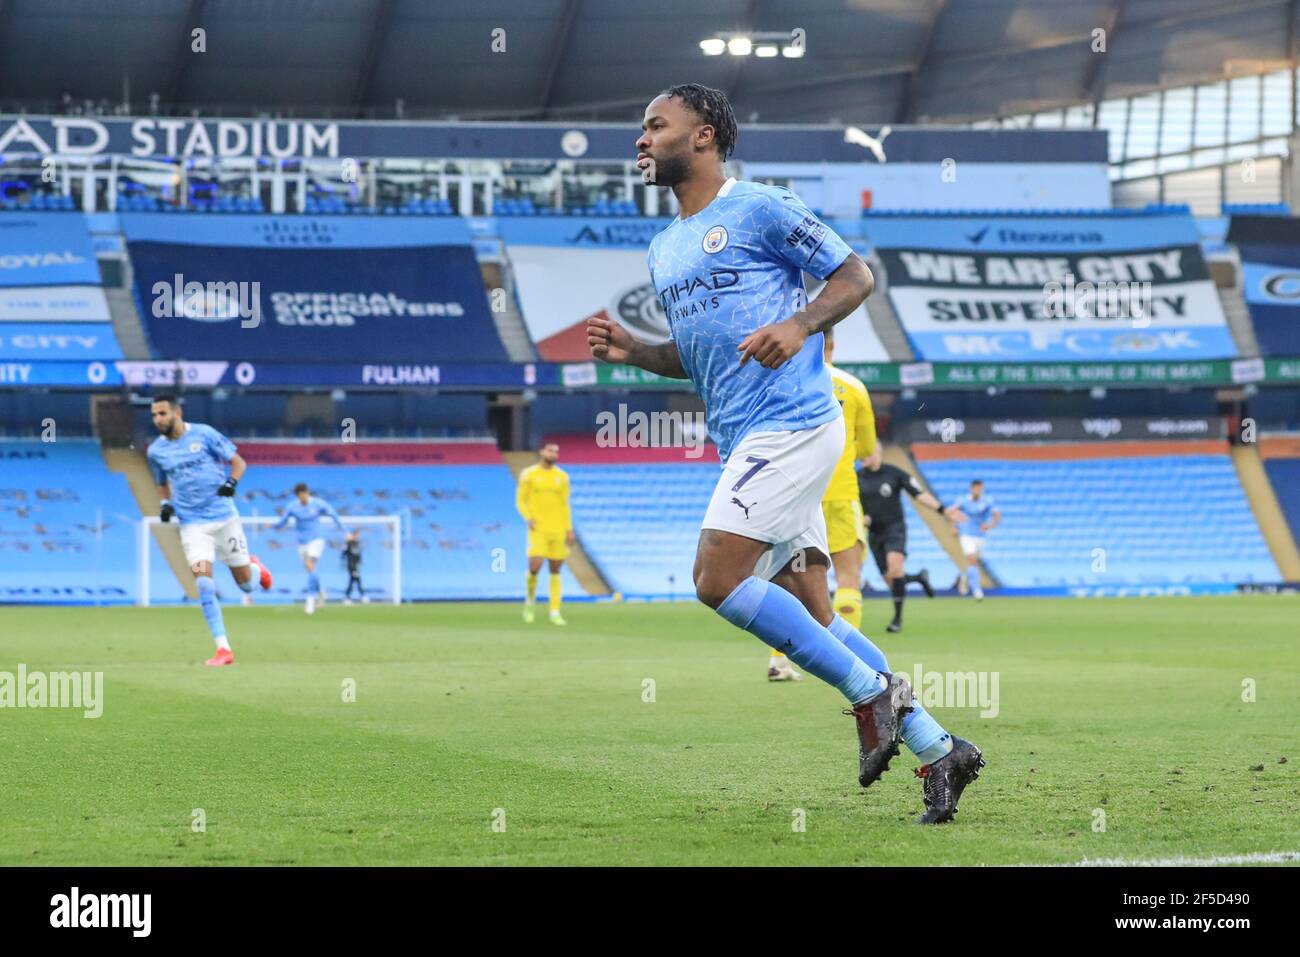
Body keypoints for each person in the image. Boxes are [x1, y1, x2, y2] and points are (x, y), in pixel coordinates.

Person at [587, 83, 983, 820]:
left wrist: (800, 326)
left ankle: (874, 697)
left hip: (794, 424)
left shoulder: (760, 206)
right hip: (746, 436)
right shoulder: (664, 246)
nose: (640, 140)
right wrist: (636, 351)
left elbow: (855, 274)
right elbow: (697, 355)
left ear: (702, 136)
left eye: (654, 126)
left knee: (714, 578)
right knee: (814, 609)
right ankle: (940, 750)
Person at [768, 327, 877, 681]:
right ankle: (848, 662)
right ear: (833, 344)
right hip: (841, 492)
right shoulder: (854, 388)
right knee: (849, 576)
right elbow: (866, 448)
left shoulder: (788, 382)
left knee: (791, 579)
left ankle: (779, 662)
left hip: (797, 494)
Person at [146, 394, 273, 666]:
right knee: (204, 583)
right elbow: (161, 482)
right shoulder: (155, 451)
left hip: (224, 519)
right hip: (193, 525)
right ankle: (223, 649)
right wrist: (166, 503)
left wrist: (231, 483)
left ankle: (256, 569)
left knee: (247, 584)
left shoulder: (204, 434)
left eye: (162, 414)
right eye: (154, 415)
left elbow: (239, 462)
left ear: (177, 412)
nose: (157, 419)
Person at [857, 449, 956, 633]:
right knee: (891, 580)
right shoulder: (856, 477)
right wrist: (861, 517)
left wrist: (942, 510)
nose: (863, 457)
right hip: (874, 534)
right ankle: (919, 577)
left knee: (895, 568)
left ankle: (897, 620)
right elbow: (851, 504)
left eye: (867, 452)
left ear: (878, 452)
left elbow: (919, 494)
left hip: (895, 529)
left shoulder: (894, 473)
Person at [516, 442, 575, 625]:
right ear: (542, 452)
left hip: (558, 530)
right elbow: (520, 500)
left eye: (556, 451)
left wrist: (569, 529)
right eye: (550, 450)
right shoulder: (529, 474)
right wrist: (528, 517)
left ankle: (555, 612)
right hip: (539, 530)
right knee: (535, 567)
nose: (554, 454)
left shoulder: (562, 477)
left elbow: (565, 505)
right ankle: (530, 603)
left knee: (556, 570)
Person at [273, 482, 345, 615]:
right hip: (302, 542)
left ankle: (310, 600)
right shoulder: (292, 507)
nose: (302, 498)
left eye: (304, 495)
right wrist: (273, 526)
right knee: (310, 570)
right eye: (300, 496)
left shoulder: (318, 503)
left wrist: (343, 529)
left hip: (316, 539)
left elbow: (332, 513)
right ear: (297, 496)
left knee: (310, 565)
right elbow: (282, 522)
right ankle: (321, 591)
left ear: (307, 493)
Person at [950, 479, 1000, 601]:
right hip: (966, 534)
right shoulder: (963, 500)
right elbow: (952, 511)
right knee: (972, 560)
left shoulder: (988, 501)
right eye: (976, 488)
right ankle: (977, 590)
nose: (978, 490)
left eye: (980, 488)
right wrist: (954, 526)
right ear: (971, 488)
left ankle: (965, 576)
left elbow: (997, 515)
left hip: (980, 536)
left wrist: (990, 525)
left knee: (974, 561)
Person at [342, 531, 366, 604]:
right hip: (351, 566)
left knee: (354, 580)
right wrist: (345, 542)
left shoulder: (358, 544)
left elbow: (358, 556)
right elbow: (343, 553)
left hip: (356, 566)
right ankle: (359, 596)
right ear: (354, 535)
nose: (358, 537)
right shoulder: (349, 544)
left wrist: (360, 562)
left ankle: (348, 597)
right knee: (356, 580)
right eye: (357, 535)